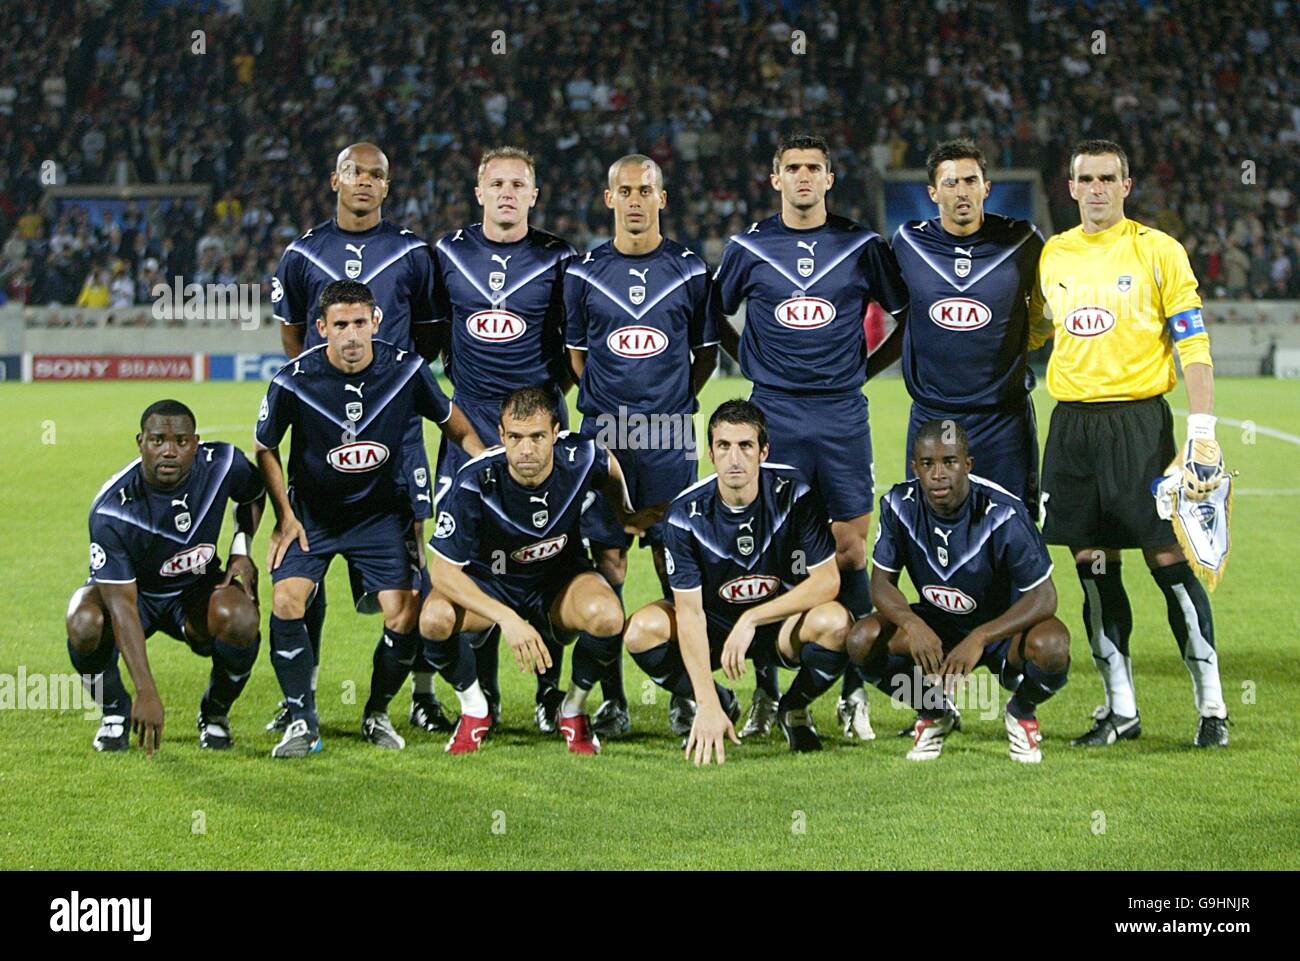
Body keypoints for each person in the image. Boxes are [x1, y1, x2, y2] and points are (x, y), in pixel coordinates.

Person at [1029, 139, 1232, 748]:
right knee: (1093, 568)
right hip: (1072, 429)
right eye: (1085, 179)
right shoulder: (1053, 254)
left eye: (1107, 178)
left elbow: (1193, 341)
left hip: (1140, 427)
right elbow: (1034, 330)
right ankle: (1121, 709)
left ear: (1126, 184)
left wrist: (1202, 432)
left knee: (1169, 563)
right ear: (1070, 187)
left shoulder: (1158, 250)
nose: (1096, 188)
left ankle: (1213, 709)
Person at [710, 134, 909, 742]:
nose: (803, 177)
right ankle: (767, 693)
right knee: (767, 550)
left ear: (829, 178)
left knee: (850, 550)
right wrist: (751, 362)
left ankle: (852, 694)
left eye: (813, 168)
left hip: (841, 415)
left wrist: (863, 370)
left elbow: (904, 317)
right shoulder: (748, 247)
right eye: (792, 168)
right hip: (773, 414)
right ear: (776, 179)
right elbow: (713, 312)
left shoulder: (862, 245)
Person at [254, 279, 482, 758]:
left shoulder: (406, 370)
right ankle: (301, 719)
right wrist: (284, 515)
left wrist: (485, 468)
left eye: (360, 322)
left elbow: (456, 426)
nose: (352, 334)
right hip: (313, 516)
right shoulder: (294, 379)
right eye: (340, 325)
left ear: (376, 322)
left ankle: (376, 712)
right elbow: (264, 447)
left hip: (381, 516)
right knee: (287, 599)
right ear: (322, 328)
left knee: (404, 612)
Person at [268, 142, 451, 736]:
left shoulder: (413, 253)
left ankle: (418, 695)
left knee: (411, 567)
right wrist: (326, 389)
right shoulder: (301, 254)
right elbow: (294, 337)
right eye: (354, 172)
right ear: (335, 180)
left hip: (395, 432)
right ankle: (302, 697)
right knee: (307, 567)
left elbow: (427, 336)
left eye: (376, 175)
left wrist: (388, 389)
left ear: (387, 187)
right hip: (325, 429)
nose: (365, 182)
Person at [422, 146, 577, 734]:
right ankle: (481, 694)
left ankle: (548, 694)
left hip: (537, 425)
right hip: (469, 427)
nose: (507, 193)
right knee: (470, 558)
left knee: (547, 553)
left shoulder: (558, 257)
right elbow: (432, 336)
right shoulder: (448, 253)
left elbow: (571, 343)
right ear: (479, 192)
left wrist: (541, 409)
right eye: (498, 184)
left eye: (518, 184)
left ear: (533, 195)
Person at [564, 153, 718, 739]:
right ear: (609, 199)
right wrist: (612, 409)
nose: (634, 200)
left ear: (661, 198)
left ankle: (684, 692)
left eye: (644, 190)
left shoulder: (690, 270)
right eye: (624, 191)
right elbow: (577, 357)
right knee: (609, 562)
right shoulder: (583, 274)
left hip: (669, 435)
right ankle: (613, 700)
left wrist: (668, 405)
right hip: (604, 433)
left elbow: (705, 354)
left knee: (672, 561)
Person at [422, 387, 662, 755]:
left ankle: (573, 709)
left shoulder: (581, 455)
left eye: (537, 437)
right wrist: (506, 618)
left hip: (558, 582)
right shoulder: (476, 478)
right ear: (501, 435)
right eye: (515, 438)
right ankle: (474, 708)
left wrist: (624, 512)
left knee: (608, 616)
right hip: (493, 583)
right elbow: (442, 572)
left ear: (555, 433)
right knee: (433, 619)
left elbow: (607, 463)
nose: (526, 449)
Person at [624, 400, 853, 762]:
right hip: (714, 628)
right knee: (641, 631)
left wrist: (752, 618)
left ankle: (793, 707)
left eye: (745, 446)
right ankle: (719, 702)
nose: (734, 458)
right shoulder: (684, 515)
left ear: (764, 451)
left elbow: (827, 582)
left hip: (778, 623)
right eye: (724, 446)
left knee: (837, 623)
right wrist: (706, 703)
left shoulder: (796, 493)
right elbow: (690, 613)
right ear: (710, 453)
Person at [846, 420, 1071, 762]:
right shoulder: (899, 504)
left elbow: (1044, 597)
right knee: (862, 640)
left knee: (1052, 645)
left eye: (949, 462)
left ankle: (1021, 712)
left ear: (968, 464)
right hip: (938, 626)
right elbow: (881, 584)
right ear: (915, 467)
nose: (938, 474)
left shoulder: (1004, 513)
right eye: (927, 463)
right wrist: (912, 625)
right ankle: (935, 712)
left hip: (1001, 631)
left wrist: (980, 637)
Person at [65, 400, 265, 755]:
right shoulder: (112, 509)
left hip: (194, 588)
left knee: (241, 619)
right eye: (158, 440)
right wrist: (146, 691)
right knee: (84, 623)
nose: (169, 451)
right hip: (135, 594)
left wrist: (241, 548)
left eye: (181, 441)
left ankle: (215, 714)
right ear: (141, 442)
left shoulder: (222, 463)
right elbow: (122, 606)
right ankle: (114, 712)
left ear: (196, 443)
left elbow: (253, 492)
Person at [888, 139, 1049, 513]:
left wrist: (1023, 343)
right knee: (930, 531)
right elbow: (896, 310)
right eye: (951, 182)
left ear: (986, 188)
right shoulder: (908, 242)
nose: (962, 191)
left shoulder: (1023, 240)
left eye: (970, 181)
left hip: (1003, 420)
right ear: (933, 192)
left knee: (1013, 532)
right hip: (933, 415)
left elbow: (1044, 311)